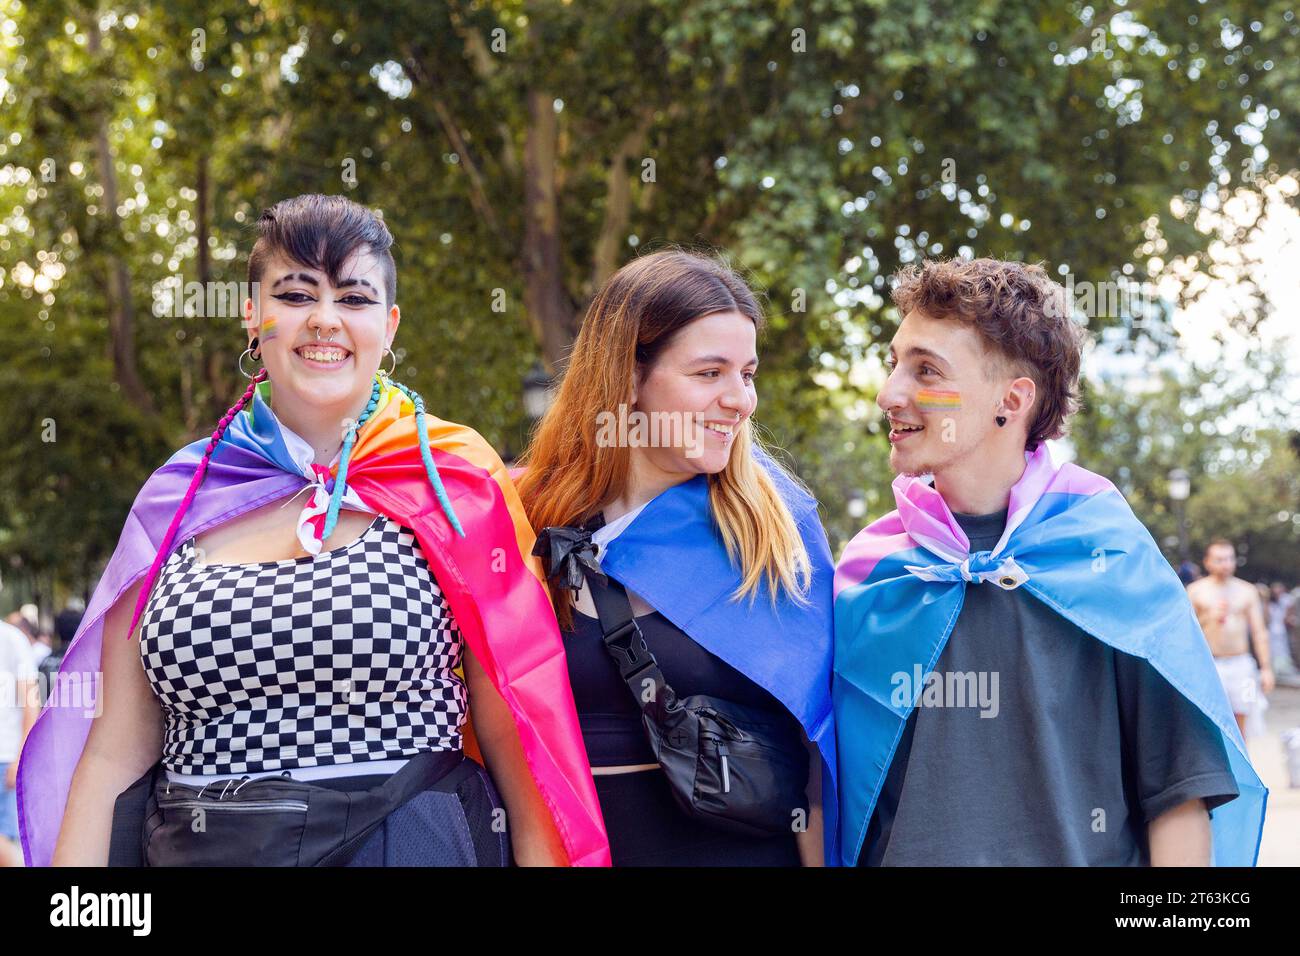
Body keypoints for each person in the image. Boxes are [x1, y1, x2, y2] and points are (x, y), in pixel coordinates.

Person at [17, 194, 608, 867]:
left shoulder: (456, 483)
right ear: (252, 315)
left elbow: (515, 722)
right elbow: (115, 751)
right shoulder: (176, 500)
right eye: (296, 295)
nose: (325, 321)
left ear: (388, 326)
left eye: (353, 300)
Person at [833, 257, 1265, 866]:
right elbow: (827, 794)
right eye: (894, 363)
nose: (889, 394)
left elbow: (1179, 794)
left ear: (1011, 399)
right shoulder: (870, 572)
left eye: (925, 369)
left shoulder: (1110, 559)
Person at [517, 250, 838, 866]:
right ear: (628, 377)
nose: (739, 400)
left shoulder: (773, 531)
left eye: (747, 374)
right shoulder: (529, 519)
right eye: (709, 373)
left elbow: (817, 756)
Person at [1187, 541, 1275, 737]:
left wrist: (1266, 668)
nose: (1225, 564)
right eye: (1219, 559)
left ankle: (1243, 763)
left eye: (1229, 559)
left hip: (1242, 665)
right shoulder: (1195, 591)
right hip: (1209, 665)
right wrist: (1210, 616)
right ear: (1207, 562)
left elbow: (1259, 632)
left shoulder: (1247, 590)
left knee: (1245, 712)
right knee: (1210, 718)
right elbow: (1187, 632)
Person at [0, 618, 38, 867]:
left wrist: (21, 758)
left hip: (6, 758)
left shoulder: (12, 639)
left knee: (8, 842)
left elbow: (31, 702)